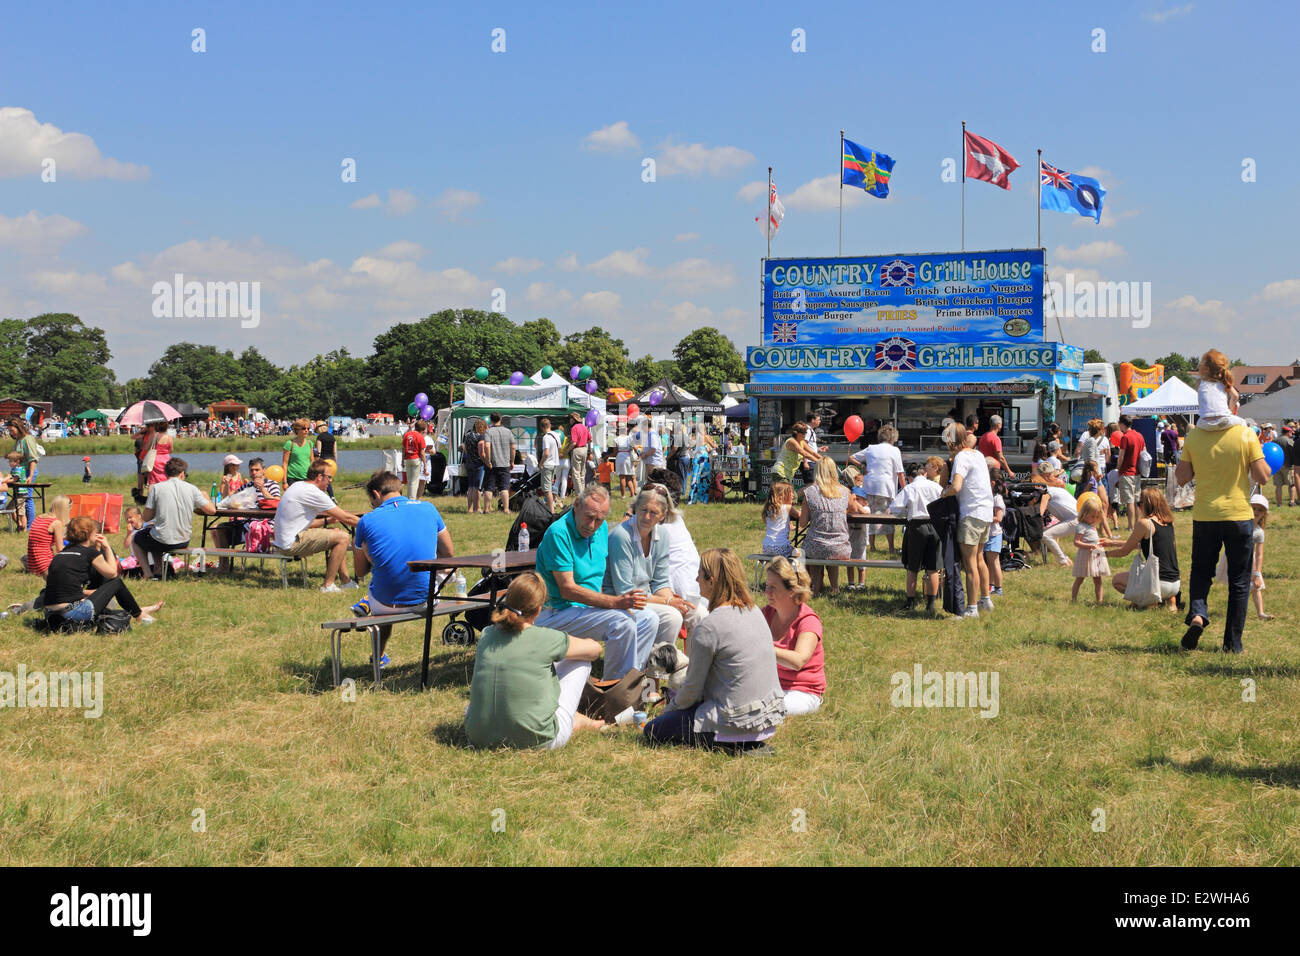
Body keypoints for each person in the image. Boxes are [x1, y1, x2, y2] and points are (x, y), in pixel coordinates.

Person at [643, 548, 785, 752]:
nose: (696, 579)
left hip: (733, 721)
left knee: (653, 730)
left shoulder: (709, 627)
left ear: (711, 580)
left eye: (699, 574)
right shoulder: (755, 611)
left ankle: (730, 743)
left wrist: (669, 710)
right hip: (766, 718)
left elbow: (692, 690)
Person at [465, 572, 605, 749]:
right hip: (539, 739)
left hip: (478, 737)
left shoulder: (487, 634)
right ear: (539, 608)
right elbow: (595, 650)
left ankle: (572, 718)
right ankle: (571, 719)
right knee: (581, 661)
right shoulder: (547, 638)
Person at [533, 483, 657, 681]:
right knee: (621, 623)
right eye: (589, 517)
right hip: (555, 611)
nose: (592, 526)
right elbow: (568, 590)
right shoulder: (559, 533)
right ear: (576, 505)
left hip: (585, 610)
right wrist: (615, 603)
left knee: (649, 620)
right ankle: (612, 691)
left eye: (599, 519)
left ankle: (631, 682)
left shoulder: (602, 529)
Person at [1175, 420, 1270, 654]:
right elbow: (1262, 476)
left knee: (1201, 571)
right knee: (1239, 582)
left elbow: (1181, 477)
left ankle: (1197, 614)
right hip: (1238, 515)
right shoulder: (1246, 434)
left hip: (1206, 515)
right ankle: (1232, 644)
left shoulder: (1195, 436)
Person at [351, 471, 454, 665]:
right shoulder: (429, 508)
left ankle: (377, 654)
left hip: (384, 603)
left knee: (382, 592)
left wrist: (367, 553)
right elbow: (449, 554)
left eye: (371, 501)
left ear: (376, 494)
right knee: (444, 571)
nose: (372, 506)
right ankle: (377, 651)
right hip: (427, 600)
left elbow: (359, 572)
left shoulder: (366, 521)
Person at [604, 486, 696, 649]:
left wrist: (674, 600)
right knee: (672, 617)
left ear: (663, 515)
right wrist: (667, 602)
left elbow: (660, 581)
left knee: (696, 613)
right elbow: (625, 591)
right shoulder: (621, 536)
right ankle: (653, 669)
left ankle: (689, 669)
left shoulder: (662, 535)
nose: (646, 517)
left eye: (653, 512)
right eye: (643, 510)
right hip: (620, 601)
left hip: (644, 597)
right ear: (635, 509)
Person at [45, 516, 163, 629]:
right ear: (89, 534)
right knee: (116, 582)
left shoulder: (60, 554)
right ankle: (140, 616)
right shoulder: (89, 553)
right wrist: (106, 548)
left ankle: (139, 610)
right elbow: (112, 574)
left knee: (97, 601)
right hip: (71, 613)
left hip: (50, 615)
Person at [273, 459, 360, 592]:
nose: (331, 481)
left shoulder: (297, 486)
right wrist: (373, 526)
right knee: (342, 537)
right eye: (329, 477)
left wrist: (326, 522)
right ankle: (328, 585)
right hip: (290, 544)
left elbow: (299, 522)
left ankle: (345, 581)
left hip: (282, 542)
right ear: (320, 477)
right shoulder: (313, 492)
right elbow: (346, 517)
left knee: (336, 534)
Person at [133, 457, 217, 580]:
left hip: (161, 539)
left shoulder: (157, 488)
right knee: (154, 534)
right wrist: (205, 495)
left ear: (166, 473)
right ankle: (160, 570)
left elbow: (146, 518)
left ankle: (147, 573)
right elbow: (212, 510)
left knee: (137, 539)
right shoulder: (192, 488)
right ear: (182, 473)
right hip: (183, 539)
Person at [762, 555, 825, 716]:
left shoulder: (808, 621)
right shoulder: (766, 614)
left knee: (765, 710)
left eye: (773, 587)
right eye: (766, 586)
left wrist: (763, 648)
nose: (767, 593)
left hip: (802, 692)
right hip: (770, 687)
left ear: (792, 590)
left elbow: (798, 661)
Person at [944, 424, 994, 618]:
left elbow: (956, 486)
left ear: (950, 441)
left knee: (969, 562)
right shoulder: (977, 454)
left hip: (971, 513)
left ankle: (971, 608)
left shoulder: (961, 457)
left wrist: (944, 493)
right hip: (985, 512)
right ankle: (985, 599)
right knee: (980, 558)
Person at [1107, 487, 1182, 611]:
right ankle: (1169, 602)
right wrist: (1112, 543)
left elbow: (1124, 551)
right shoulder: (1169, 522)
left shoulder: (1145, 523)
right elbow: (1145, 544)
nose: (1138, 507)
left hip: (1159, 584)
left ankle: (1148, 602)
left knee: (1117, 580)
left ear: (1146, 504)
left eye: (1139, 503)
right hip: (1175, 584)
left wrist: (1104, 554)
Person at [890, 456, 945, 613]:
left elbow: (895, 508)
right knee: (933, 568)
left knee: (913, 567)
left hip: (916, 526)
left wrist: (907, 511)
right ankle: (931, 603)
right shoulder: (935, 487)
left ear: (908, 477)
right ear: (924, 474)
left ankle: (910, 601)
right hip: (934, 526)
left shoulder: (909, 488)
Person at [798, 456, 851, 597]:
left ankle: (815, 588)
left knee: (815, 546)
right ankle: (835, 588)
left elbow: (802, 523)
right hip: (841, 547)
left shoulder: (809, 492)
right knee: (831, 549)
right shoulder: (845, 492)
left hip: (816, 545)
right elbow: (851, 509)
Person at [849, 423, 905, 552]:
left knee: (870, 516)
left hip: (869, 486)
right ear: (893, 439)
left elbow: (851, 457)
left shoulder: (870, 448)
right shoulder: (895, 450)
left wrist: (863, 466)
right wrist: (905, 490)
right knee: (887, 517)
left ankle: (872, 546)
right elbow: (900, 473)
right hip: (885, 486)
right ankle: (891, 547)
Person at [1038, 463, 1080, 567]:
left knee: (1045, 535)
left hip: (1075, 520)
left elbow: (1040, 513)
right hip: (1079, 518)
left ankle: (1063, 561)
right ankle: (1065, 559)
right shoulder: (1059, 489)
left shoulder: (1047, 492)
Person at [1070, 497, 1110, 603]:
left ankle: (1100, 600)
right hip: (1086, 555)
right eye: (1092, 516)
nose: (1094, 519)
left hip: (1096, 554)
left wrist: (1098, 541)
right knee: (1080, 578)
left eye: (1097, 517)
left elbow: (1093, 539)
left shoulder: (1092, 526)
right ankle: (1074, 599)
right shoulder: (1081, 526)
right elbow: (1076, 542)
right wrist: (1090, 546)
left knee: (1098, 579)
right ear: (1084, 514)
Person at [1195, 349, 1246, 430]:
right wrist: (1230, 411)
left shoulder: (1199, 383)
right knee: (1243, 423)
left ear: (1205, 368)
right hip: (1223, 421)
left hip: (1203, 423)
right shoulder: (1223, 382)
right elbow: (1235, 396)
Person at [23, 494, 70, 577]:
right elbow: (60, 549)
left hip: (32, 562)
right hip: (44, 564)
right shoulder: (56, 523)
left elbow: (43, 538)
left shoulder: (39, 517)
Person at [1113, 415, 1146, 531]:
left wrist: (1118, 468)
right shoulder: (1140, 436)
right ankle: (1137, 525)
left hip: (1127, 472)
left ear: (1122, 424)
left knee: (1129, 501)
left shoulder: (1125, 437)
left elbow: (1121, 456)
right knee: (1136, 500)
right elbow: (1144, 454)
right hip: (1137, 472)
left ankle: (1131, 526)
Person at [1247, 495, 1273, 621]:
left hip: (1250, 561)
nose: (1256, 511)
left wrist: (1257, 573)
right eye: (1254, 508)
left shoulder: (1259, 532)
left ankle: (1261, 613)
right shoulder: (1240, 525)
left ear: (1264, 514)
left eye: (1260, 510)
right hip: (1235, 558)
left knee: (1256, 587)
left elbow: (1259, 554)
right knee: (1236, 587)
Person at [484, 413, 516, 512]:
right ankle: (506, 509)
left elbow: (487, 446)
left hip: (492, 464)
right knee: (504, 487)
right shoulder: (508, 431)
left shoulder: (488, 432)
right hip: (505, 463)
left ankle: (486, 509)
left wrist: (488, 460)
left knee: (489, 487)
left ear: (491, 420)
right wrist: (512, 461)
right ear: (501, 419)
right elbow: (513, 447)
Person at [761, 480, 798, 558]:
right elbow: (799, 515)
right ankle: (794, 570)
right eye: (790, 493)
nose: (793, 495)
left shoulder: (768, 509)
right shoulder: (787, 508)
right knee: (800, 553)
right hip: (781, 547)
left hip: (766, 547)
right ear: (782, 495)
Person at [985, 473, 1007, 598]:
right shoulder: (992, 496)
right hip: (989, 533)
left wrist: (983, 518)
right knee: (990, 562)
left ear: (992, 483)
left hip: (994, 534)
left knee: (994, 562)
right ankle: (991, 586)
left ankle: (998, 589)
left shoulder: (997, 498)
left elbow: (998, 517)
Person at [461, 420, 488, 514]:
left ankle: (470, 508)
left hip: (469, 462)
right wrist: (486, 461)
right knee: (477, 487)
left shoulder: (468, 435)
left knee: (471, 487)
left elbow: (463, 447)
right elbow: (481, 451)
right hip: (478, 463)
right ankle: (477, 508)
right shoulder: (480, 436)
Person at [537, 417, 561, 512]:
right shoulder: (556, 435)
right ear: (550, 425)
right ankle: (551, 507)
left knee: (547, 490)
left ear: (542, 428)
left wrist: (541, 463)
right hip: (555, 464)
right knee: (551, 486)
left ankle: (551, 510)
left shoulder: (546, 437)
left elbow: (546, 453)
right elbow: (559, 450)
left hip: (547, 464)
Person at [281, 419, 314, 487]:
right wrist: (284, 482)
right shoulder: (289, 444)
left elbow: (312, 461)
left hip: (306, 477)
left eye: (308, 428)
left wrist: (313, 478)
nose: (306, 430)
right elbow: (285, 463)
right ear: (297, 430)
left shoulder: (310, 443)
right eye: (303, 428)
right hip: (292, 478)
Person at [567, 411, 591, 497]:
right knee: (582, 472)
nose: (569, 420)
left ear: (573, 419)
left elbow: (574, 442)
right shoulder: (585, 427)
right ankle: (583, 492)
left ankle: (580, 494)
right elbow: (590, 439)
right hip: (584, 449)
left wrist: (567, 451)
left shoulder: (574, 428)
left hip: (577, 450)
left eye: (570, 418)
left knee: (576, 473)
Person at [5, 451, 28, 531]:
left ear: (17, 461)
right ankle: (22, 528)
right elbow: (11, 477)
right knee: (21, 512)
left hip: (21, 494)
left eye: (11, 461)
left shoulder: (18, 469)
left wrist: (4, 481)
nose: (9, 463)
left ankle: (20, 525)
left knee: (10, 509)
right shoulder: (15, 469)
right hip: (20, 494)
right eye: (9, 461)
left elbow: (14, 479)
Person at [133, 424, 156, 503]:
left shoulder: (138, 439)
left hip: (141, 460)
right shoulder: (153, 437)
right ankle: (151, 500)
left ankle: (139, 499)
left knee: (140, 482)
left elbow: (135, 451)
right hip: (150, 460)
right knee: (150, 481)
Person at [614, 426, 638, 499]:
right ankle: (632, 494)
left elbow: (615, 452)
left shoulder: (615, 439)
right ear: (626, 431)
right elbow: (636, 448)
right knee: (629, 478)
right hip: (628, 457)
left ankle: (623, 495)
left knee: (622, 477)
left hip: (620, 457)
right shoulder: (629, 438)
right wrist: (638, 455)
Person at [1274, 425, 1294, 508]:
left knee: (1278, 486)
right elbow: (1293, 454)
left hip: (1277, 466)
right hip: (1287, 465)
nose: (1292, 434)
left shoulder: (1275, 440)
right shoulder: (1289, 441)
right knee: (1292, 484)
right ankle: (1292, 501)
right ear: (1288, 432)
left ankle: (1279, 504)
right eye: (1291, 432)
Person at [798, 413, 822, 485]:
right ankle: (796, 495)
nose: (819, 421)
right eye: (818, 420)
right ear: (812, 420)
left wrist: (818, 449)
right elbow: (803, 446)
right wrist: (805, 462)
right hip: (809, 461)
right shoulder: (808, 431)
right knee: (811, 485)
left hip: (811, 461)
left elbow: (808, 446)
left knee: (813, 485)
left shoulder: (811, 430)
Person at [148, 421, 173, 487]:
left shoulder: (154, 436)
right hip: (166, 460)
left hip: (155, 459)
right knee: (166, 478)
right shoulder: (169, 438)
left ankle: (151, 496)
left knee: (152, 481)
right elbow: (171, 450)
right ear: (166, 428)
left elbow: (147, 447)